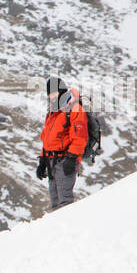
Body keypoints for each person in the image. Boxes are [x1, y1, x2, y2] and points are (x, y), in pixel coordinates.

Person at [36, 77, 88, 211]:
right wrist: (43, 160)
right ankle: (58, 230)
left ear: (61, 91)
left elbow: (79, 137)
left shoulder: (74, 108)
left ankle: (69, 229)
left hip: (65, 160)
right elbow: (48, 138)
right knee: (55, 201)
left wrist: (71, 158)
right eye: (50, 94)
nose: (52, 97)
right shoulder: (52, 112)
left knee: (65, 202)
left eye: (54, 93)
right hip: (51, 161)